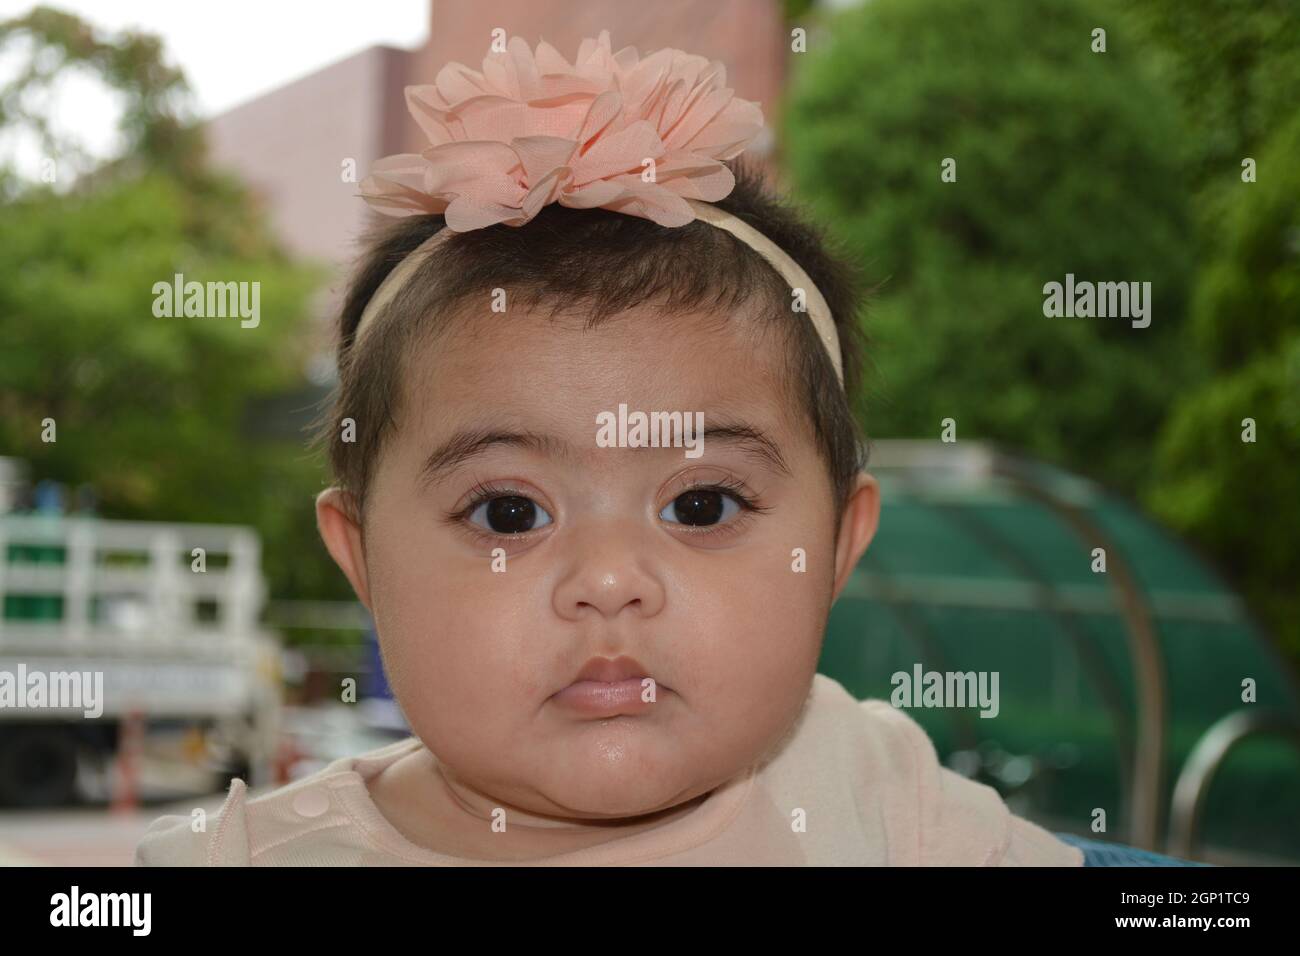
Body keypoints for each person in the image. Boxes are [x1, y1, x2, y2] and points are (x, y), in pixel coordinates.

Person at [136, 30, 1082, 866]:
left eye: (702, 505)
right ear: (362, 554)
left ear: (836, 544)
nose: (611, 579)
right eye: (510, 512)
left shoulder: (882, 800)